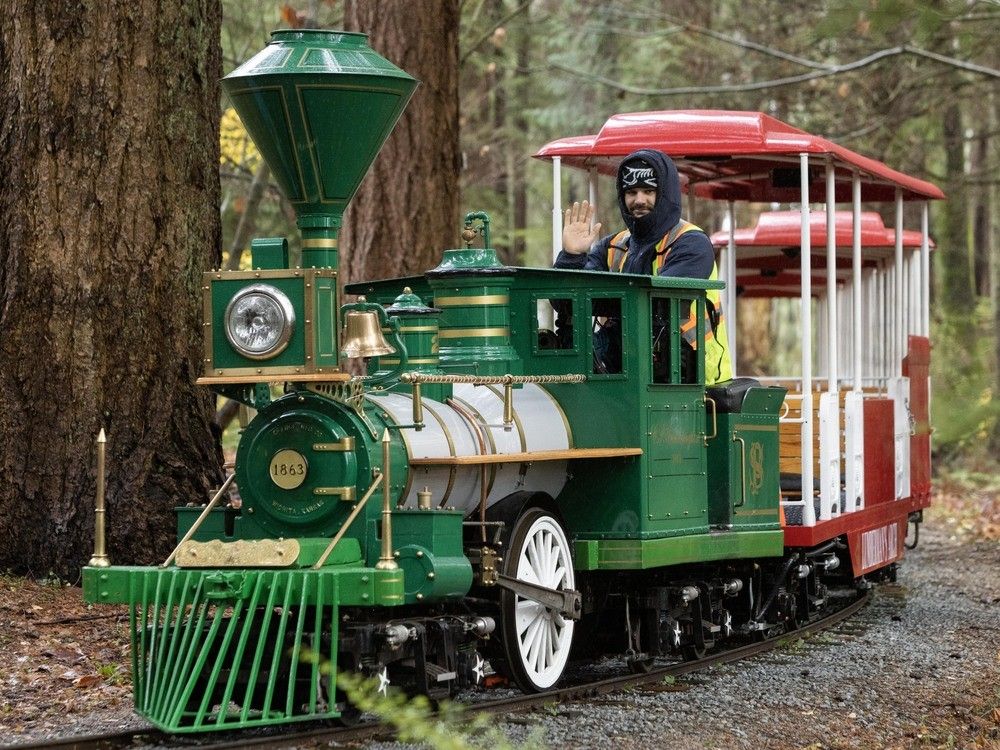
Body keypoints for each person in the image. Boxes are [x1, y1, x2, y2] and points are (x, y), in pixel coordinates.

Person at [554, 148, 732, 385]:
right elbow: (566, 302)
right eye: (631, 192)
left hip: (695, 380)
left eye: (649, 191)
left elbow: (657, 304)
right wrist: (572, 256)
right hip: (629, 372)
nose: (639, 200)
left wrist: (595, 298)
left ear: (666, 194)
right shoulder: (613, 246)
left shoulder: (692, 243)